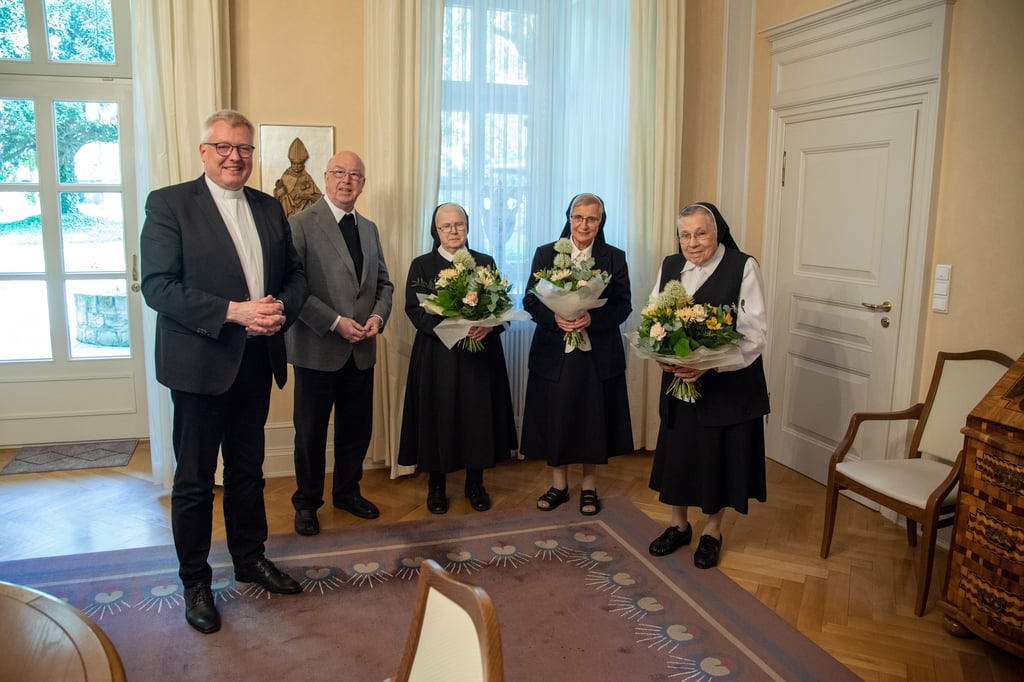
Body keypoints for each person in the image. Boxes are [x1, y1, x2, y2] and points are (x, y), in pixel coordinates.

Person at [140, 109, 309, 634]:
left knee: (247, 472)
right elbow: (158, 286)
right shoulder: (169, 204)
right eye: (224, 147)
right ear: (204, 151)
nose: (235, 157)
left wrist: (279, 309)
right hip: (199, 365)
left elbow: (296, 276)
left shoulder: (268, 206)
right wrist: (235, 312)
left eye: (244, 148)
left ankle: (249, 559)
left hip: (256, 360)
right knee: (194, 481)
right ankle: (195, 582)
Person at [647, 202, 769, 569]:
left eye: (701, 233)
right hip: (680, 381)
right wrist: (660, 353)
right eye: (685, 235)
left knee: (719, 457)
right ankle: (678, 525)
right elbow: (654, 316)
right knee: (679, 453)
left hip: (727, 386)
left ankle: (713, 531)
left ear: (718, 233)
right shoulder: (671, 266)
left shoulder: (742, 266)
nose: (692, 242)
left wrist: (708, 365)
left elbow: (754, 335)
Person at [285, 150, 393, 536]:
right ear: (326, 177)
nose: (347, 180)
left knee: (356, 431)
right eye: (339, 172)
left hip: (361, 350)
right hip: (317, 349)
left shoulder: (369, 229)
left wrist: (378, 317)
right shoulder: (300, 224)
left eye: (355, 175)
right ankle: (306, 502)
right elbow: (293, 288)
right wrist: (334, 322)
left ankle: (347, 492)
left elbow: (384, 284)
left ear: (363, 184)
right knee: (310, 434)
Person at [397, 203, 517, 514]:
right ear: (435, 230)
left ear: (467, 226)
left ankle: (475, 484)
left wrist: (489, 327)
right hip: (438, 356)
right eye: (446, 226)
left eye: (459, 224)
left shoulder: (485, 262)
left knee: (478, 418)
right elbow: (414, 310)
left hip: (480, 355)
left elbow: (502, 307)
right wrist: (451, 328)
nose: (453, 231)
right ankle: (436, 485)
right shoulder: (422, 265)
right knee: (438, 417)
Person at [520, 193, 634, 515]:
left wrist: (592, 319)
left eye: (591, 219)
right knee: (557, 417)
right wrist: (555, 318)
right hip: (554, 352)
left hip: (597, 354)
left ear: (600, 221)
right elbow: (530, 300)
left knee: (591, 420)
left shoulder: (614, 257)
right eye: (578, 217)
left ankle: (589, 488)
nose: (584, 225)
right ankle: (559, 485)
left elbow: (623, 305)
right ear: (569, 218)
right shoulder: (546, 253)